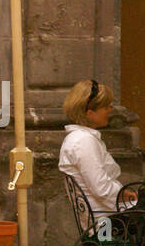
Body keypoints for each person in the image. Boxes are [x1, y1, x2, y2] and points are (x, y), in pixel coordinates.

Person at [58, 79, 135, 215]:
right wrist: (132, 199)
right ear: (89, 113)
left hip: (107, 215)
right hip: (106, 222)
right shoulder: (83, 141)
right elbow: (101, 189)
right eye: (105, 108)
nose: (110, 110)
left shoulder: (83, 138)